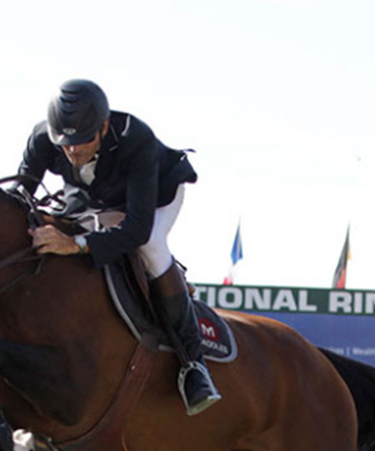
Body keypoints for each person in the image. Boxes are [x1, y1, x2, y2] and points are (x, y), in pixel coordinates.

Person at [16, 78, 221, 416]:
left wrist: (77, 245)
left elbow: (137, 229)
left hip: (156, 195)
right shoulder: (44, 137)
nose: (73, 152)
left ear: (104, 126)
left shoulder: (135, 138)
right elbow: (20, 195)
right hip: (95, 198)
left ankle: (193, 366)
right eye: (65, 145)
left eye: (82, 142)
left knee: (152, 248)